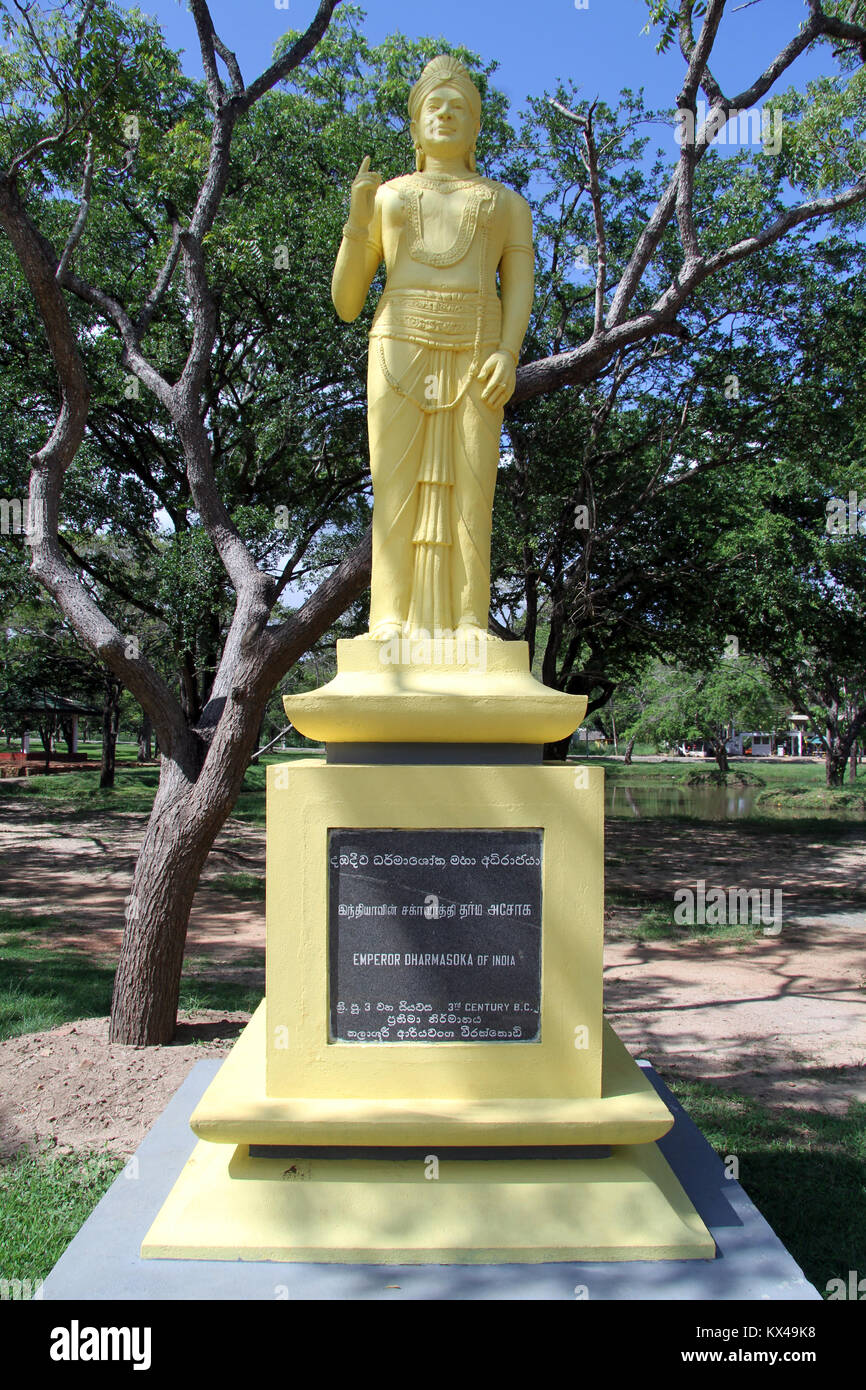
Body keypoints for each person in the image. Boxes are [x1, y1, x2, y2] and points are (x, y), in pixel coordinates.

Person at [331, 54, 534, 640]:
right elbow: (347, 302)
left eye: (459, 108)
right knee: (393, 490)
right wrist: (356, 219)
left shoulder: (505, 204)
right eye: (433, 107)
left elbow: (518, 288)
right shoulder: (389, 197)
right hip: (397, 347)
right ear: (415, 125)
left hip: (477, 349)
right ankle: (388, 619)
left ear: (476, 126)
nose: (446, 115)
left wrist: (509, 352)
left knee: (475, 490)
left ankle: (471, 620)